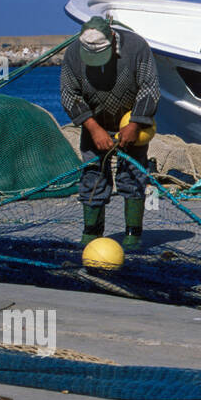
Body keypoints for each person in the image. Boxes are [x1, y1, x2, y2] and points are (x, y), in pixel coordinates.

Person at [59, 17, 160, 249]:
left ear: (113, 38)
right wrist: (94, 129)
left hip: (131, 121)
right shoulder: (73, 53)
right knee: (93, 174)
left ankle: (133, 233)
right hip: (95, 122)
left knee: (133, 174)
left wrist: (134, 125)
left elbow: (150, 88)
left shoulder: (137, 48)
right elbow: (69, 94)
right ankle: (92, 232)